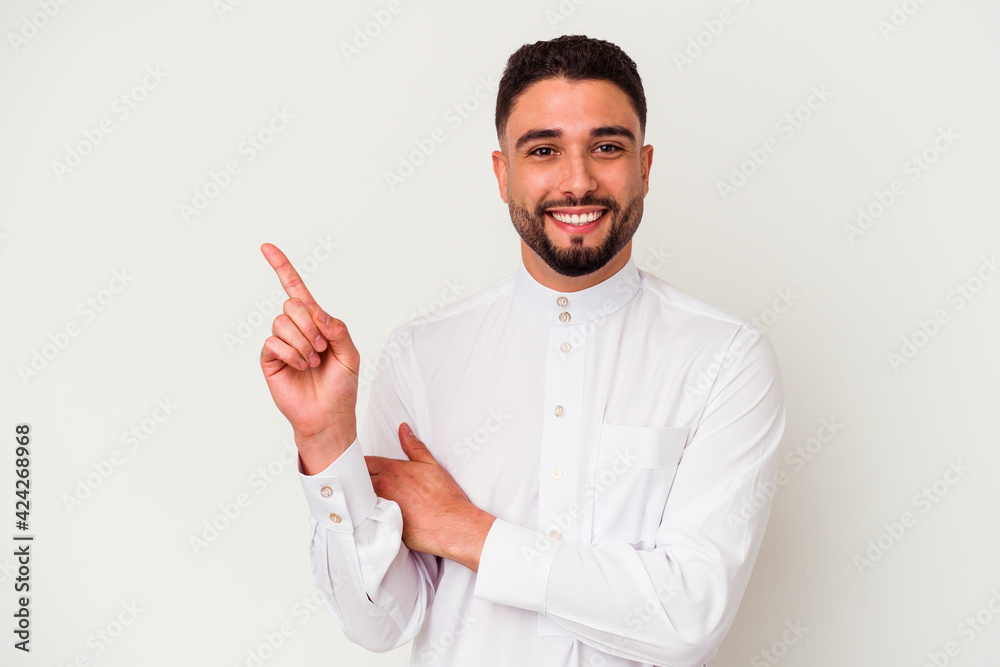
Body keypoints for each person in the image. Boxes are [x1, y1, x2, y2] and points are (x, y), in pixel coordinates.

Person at [259, 35, 785, 667]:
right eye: (543, 150)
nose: (579, 180)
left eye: (607, 147)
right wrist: (325, 444)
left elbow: (687, 619)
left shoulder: (725, 358)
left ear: (644, 166)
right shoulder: (421, 358)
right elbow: (379, 622)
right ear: (502, 172)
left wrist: (468, 533)